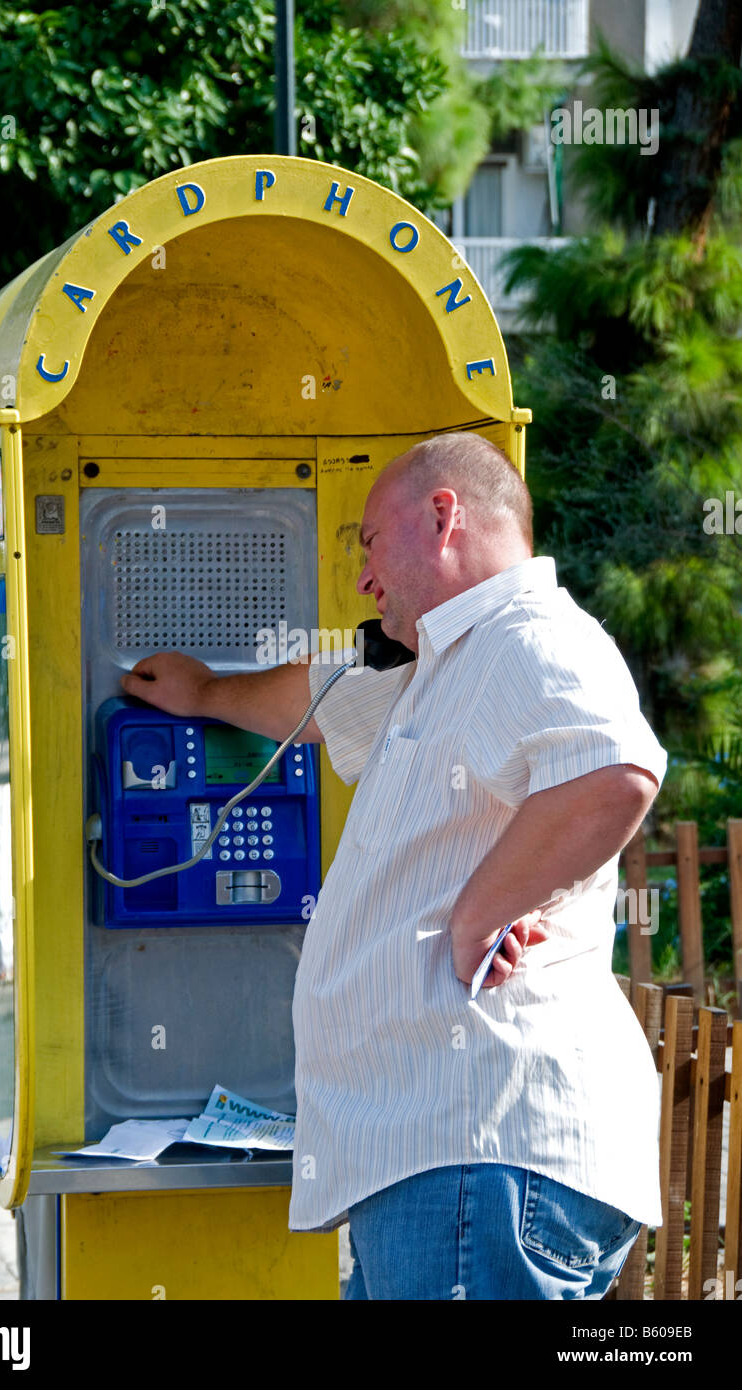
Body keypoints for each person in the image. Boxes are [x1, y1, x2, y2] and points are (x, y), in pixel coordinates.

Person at [122, 431, 667, 1300]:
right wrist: (205, 695)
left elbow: (612, 774)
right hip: (440, 1162)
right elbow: (319, 698)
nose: (363, 575)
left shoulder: (524, 636)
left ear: (443, 515)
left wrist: (478, 913)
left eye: (369, 542)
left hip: (475, 1152)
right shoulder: (438, 671)